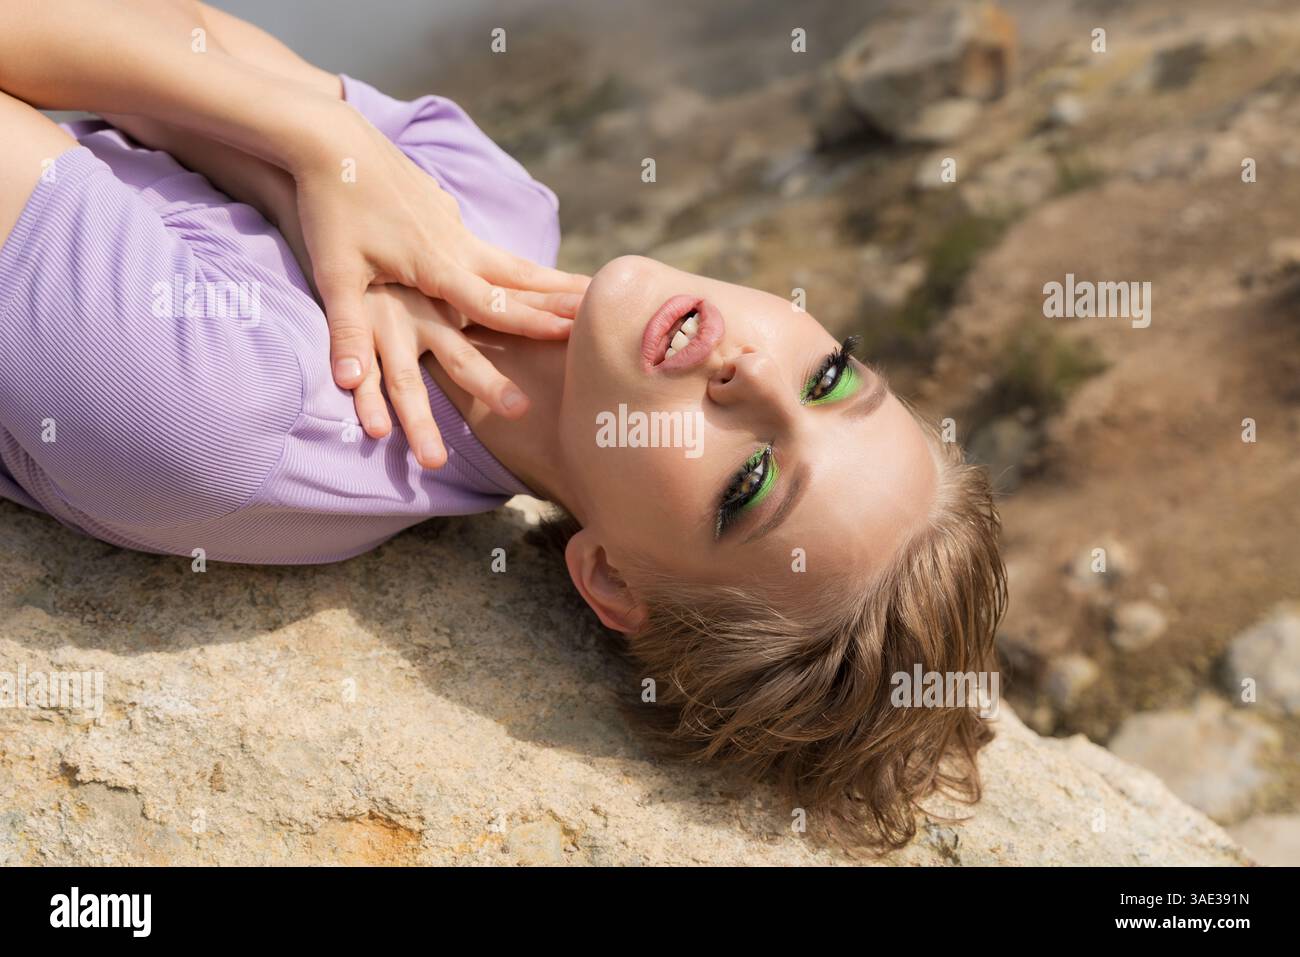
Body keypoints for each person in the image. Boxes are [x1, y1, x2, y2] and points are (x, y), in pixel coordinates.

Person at [0, 0, 1006, 851]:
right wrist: (317, 181)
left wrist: (327, 150)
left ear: (611, 576)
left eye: (747, 482)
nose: (753, 374)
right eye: (829, 377)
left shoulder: (225, 414)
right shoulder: (494, 201)